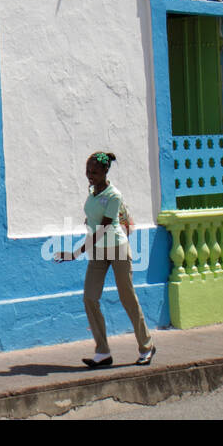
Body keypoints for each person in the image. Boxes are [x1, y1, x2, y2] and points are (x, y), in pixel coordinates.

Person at [55, 151, 155, 368]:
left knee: (127, 297)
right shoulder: (92, 193)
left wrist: (75, 253)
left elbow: (103, 228)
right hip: (98, 252)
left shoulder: (113, 195)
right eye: (88, 171)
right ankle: (103, 352)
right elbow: (92, 222)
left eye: (95, 172)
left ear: (105, 172)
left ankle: (146, 346)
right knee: (90, 298)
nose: (90, 175)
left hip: (117, 249)